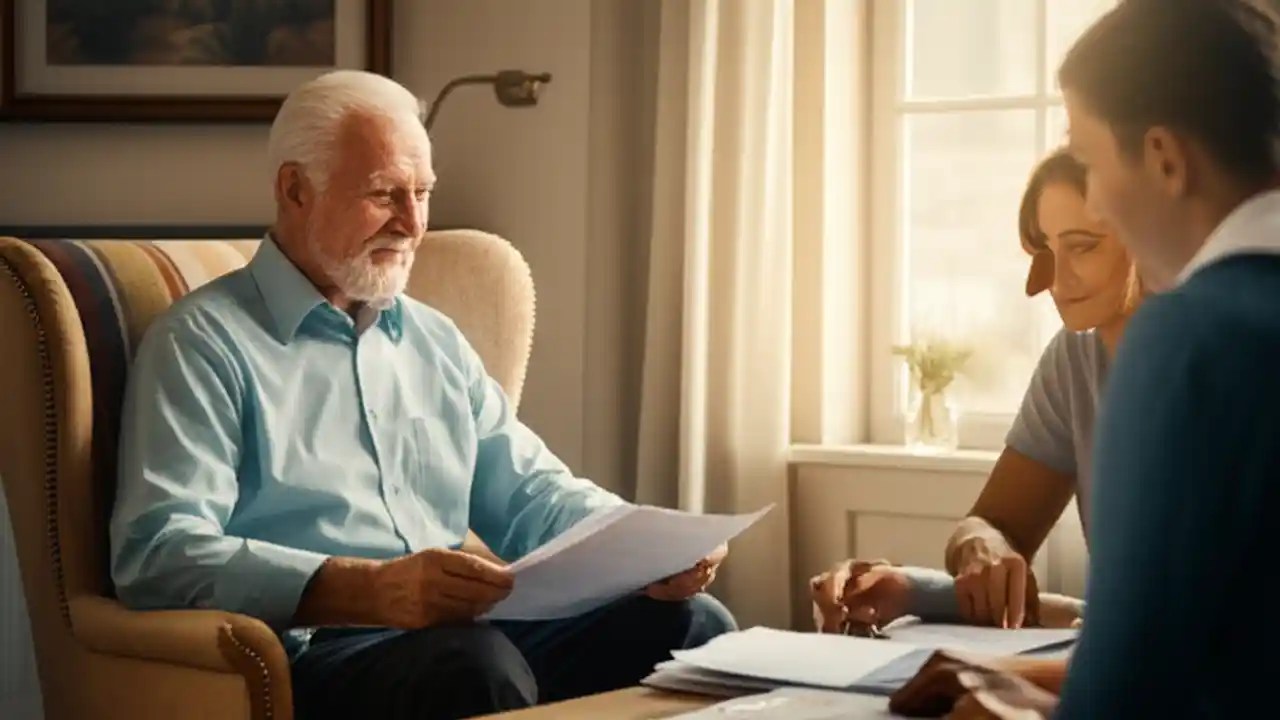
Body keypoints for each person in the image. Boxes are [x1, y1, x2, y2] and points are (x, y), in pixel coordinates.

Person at [109, 70, 737, 720]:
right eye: (384, 195)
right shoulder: (201, 343)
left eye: (423, 193)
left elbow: (530, 495)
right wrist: (364, 590)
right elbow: (158, 551)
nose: (412, 224)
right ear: (295, 189)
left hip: (468, 635)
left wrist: (646, 548)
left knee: (692, 628)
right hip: (320, 648)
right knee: (471, 667)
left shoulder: (432, 339)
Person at [896, 0, 1280, 716]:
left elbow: (1127, 689)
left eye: (1094, 164)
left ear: (1164, 159)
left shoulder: (1189, 338)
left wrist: (1011, 702)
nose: (1099, 201)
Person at [811, 148, 1141, 640]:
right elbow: (991, 525)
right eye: (1046, 250)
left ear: (1149, 237)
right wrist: (940, 571)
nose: (1055, 279)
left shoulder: (1230, 364)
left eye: (1083, 246)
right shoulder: (1075, 359)